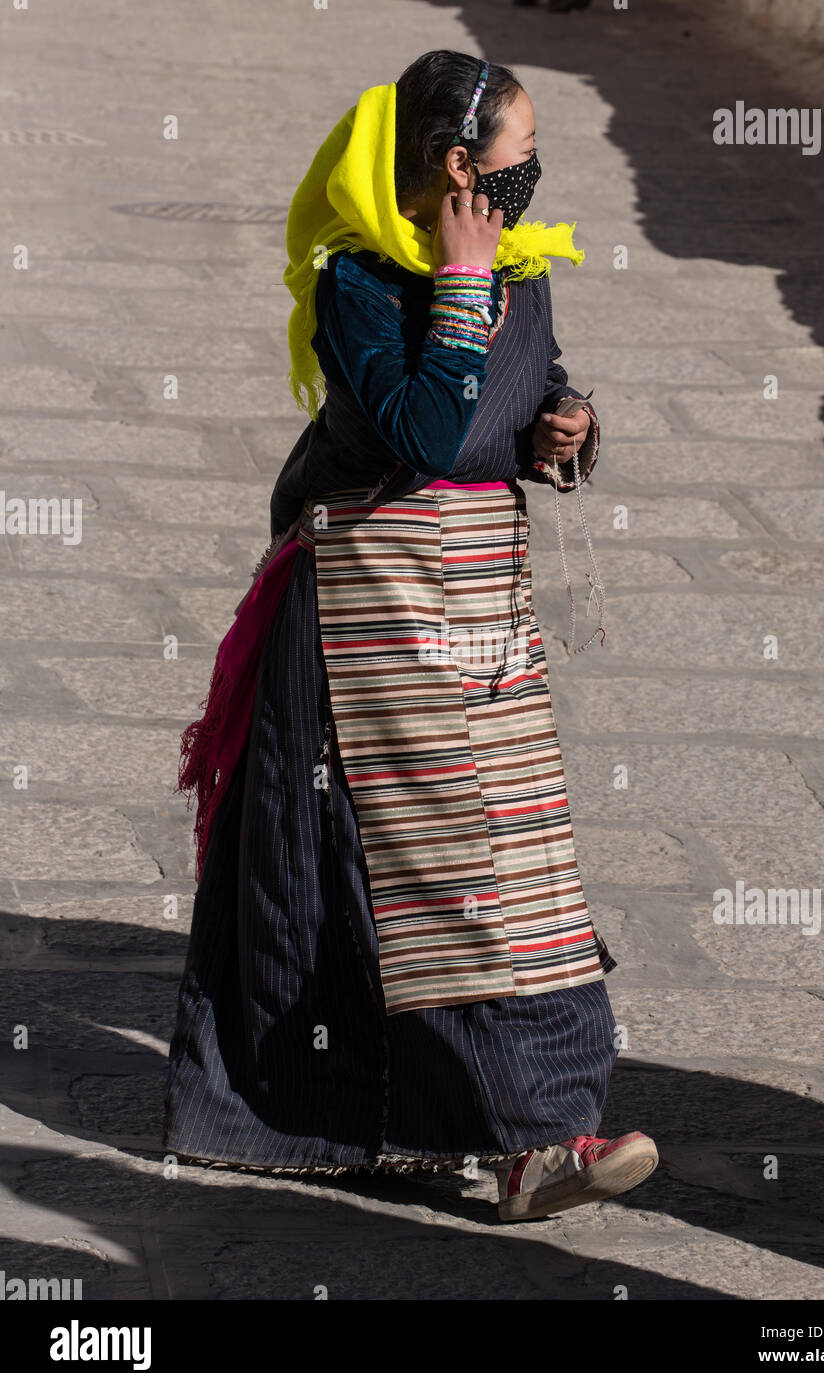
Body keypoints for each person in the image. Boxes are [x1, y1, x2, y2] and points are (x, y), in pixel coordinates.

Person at [164, 48, 658, 1223]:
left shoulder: (518, 270)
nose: (532, 175)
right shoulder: (363, 284)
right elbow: (431, 433)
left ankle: (532, 1123)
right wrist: (463, 280)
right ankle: (486, 1133)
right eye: (516, 158)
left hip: (481, 610)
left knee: (520, 867)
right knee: (421, 874)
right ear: (453, 169)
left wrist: (566, 428)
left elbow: (517, 400)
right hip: (367, 615)